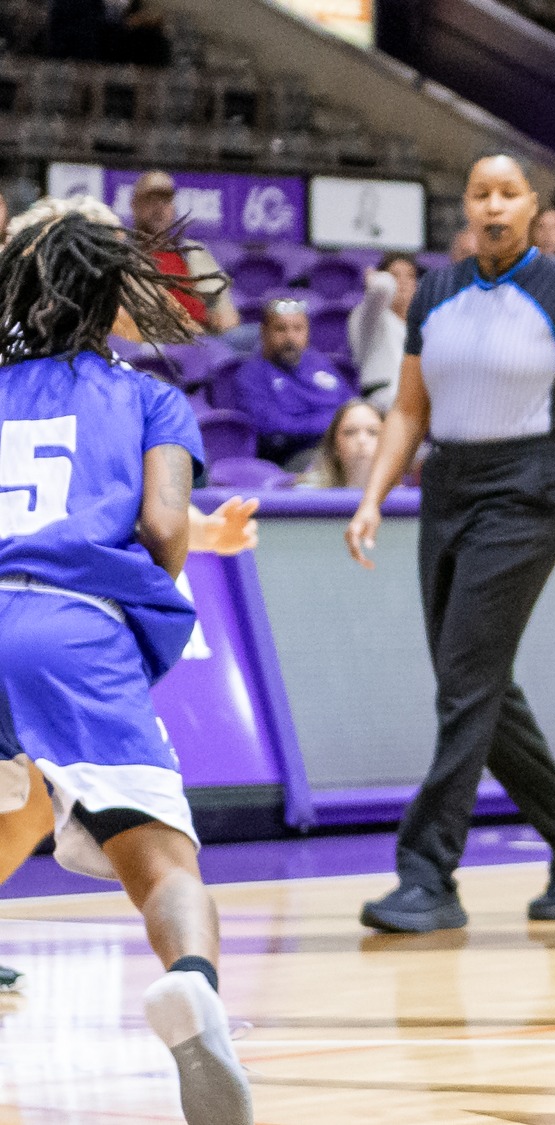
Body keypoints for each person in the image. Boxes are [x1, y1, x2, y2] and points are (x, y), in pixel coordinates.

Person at [0, 197, 272, 1125]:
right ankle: (192, 987)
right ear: (115, 292)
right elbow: (158, 526)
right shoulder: (148, 395)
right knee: (165, 868)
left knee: (11, 810)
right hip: (73, 634)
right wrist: (140, 592)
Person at [344, 152, 555, 935]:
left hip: (529, 489)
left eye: (509, 193)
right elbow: (407, 410)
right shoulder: (436, 290)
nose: (495, 205)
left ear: (532, 205)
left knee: (466, 679)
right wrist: (372, 496)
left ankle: (427, 871)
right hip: (447, 487)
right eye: (481, 193)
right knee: (473, 680)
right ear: (466, 207)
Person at [230, 295, 353, 466]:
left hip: (337, 449)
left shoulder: (319, 362)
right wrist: (332, 422)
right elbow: (275, 427)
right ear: (264, 333)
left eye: (298, 329)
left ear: (308, 332)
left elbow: (351, 408)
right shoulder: (250, 375)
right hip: (290, 459)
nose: (290, 337)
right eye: (281, 329)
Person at [129, 171, 240, 336]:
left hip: (207, 338)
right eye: (151, 200)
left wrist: (224, 316)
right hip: (158, 341)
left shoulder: (195, 251)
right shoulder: (124, 255)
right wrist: (184, 326)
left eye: (166, 201)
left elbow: (223, 306)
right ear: (135, 205)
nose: (159, 208)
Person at [349, 252, 421, 413]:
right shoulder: (369, 317)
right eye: (395, 275)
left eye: (410, 276)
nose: (403, 282)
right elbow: (381, 288)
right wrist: (376, 280)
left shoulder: (423, 325)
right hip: (381, 406)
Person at [294, 400, 384, 489]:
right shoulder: (307, 494)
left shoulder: (398, 493)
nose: (361, 440)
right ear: (334, 445)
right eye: (350, 432)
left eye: (373, 432)